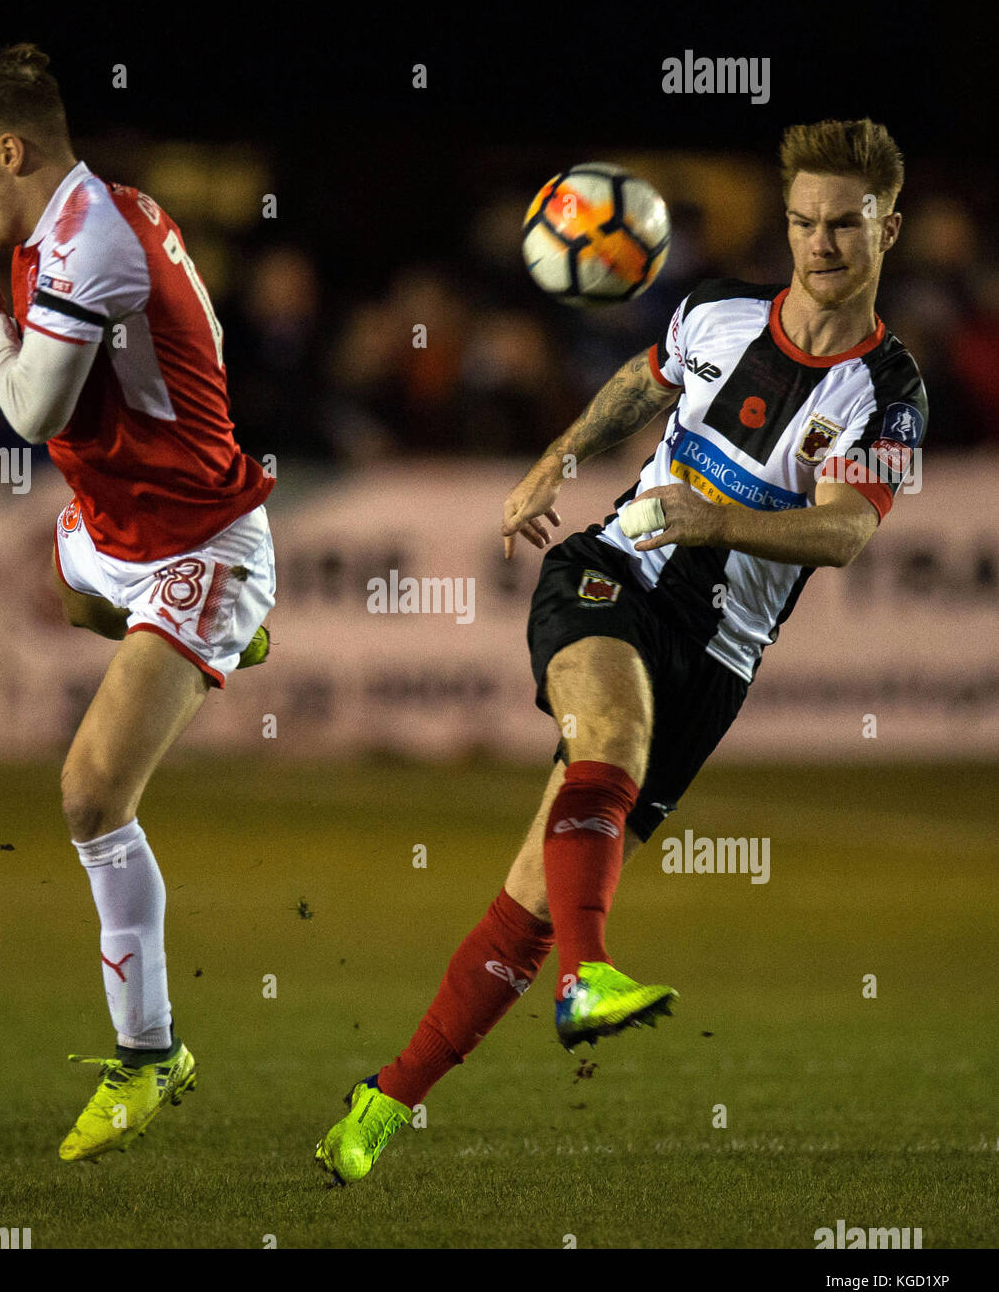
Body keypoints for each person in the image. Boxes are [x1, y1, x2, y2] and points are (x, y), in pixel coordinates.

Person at [315, 117, 927, 1185]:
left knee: (529, 899)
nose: (821, 243)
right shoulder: (718, 314)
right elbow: (644, 383)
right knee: (609, 725)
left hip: (718, 656)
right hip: (613, 570)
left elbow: (843, 532)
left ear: (889, 228)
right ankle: (591, 976)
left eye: (845, 225)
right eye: (803, 222)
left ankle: (381, 1099)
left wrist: (716, 520)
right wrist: (559, 457)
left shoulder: (888, 393)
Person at [0, 43, 275, 1162]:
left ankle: (150, 1059)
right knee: (58, 593)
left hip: (195, 540)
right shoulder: (92, 212)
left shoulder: (87, 245)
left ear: (13, 153)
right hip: (112, 538)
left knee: (87, 797)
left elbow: (26, 410)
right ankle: (224, 633)